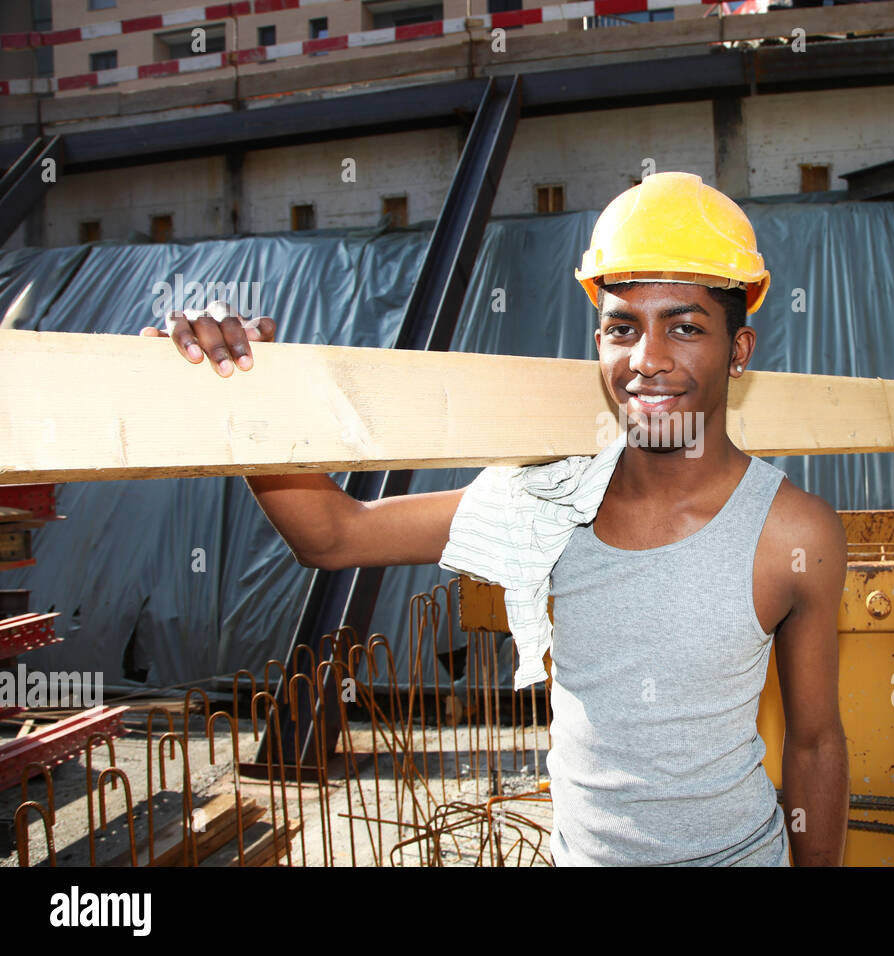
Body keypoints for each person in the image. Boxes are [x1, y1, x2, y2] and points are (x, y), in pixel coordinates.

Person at [142, 171, 849, 866]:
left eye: (685, 327)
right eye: (622, 327)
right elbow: (334, 534)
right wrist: (236, 395)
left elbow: (815, 743)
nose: (647, 360)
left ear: (740, 352)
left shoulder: (793, 535)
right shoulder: (547, 500)